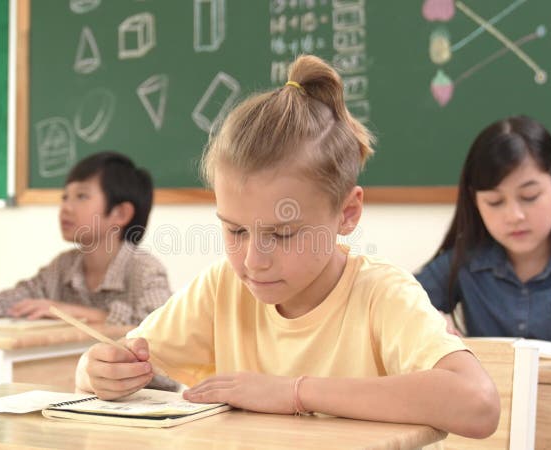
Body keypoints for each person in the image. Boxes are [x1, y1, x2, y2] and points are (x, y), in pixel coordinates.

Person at [74, 55, 500, 438]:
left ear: (347, 213)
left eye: (281, 234)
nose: (253, 261)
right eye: (235, 232)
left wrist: (296, 392)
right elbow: (108, 364)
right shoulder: (223, 287)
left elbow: (478, 405)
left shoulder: (381, 295)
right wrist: (98, 372)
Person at [416, 116, 551, 347]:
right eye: (495, 202)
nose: (514, 216)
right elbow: (400, 305)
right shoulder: (464, 260)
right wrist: (431, 324)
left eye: (529, 197)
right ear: (475, 201)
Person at [0, 152, 171, 332]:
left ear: (120, 214)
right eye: (64, 197)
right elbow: (13, 302)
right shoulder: (63, 267)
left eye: (81, 196)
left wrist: (73, 313)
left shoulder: (146, 271)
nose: (65, 208)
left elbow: (160, 335)